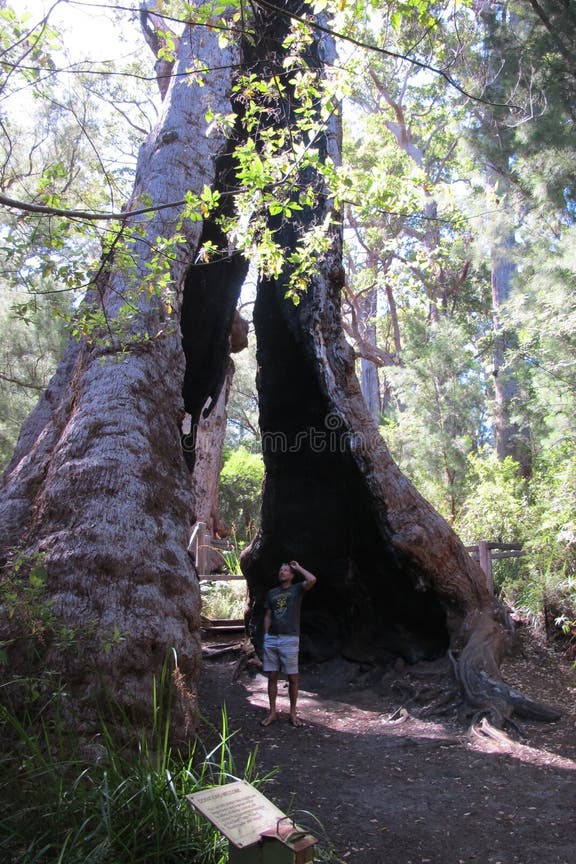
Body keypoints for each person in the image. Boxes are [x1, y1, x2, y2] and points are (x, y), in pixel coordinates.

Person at [260, 560, 317, 728]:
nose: (282, 572)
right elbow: (268, 615)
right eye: (281, 570)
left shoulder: (297, 589)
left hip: (290, 638)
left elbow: (312, 579)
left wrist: (298, 567)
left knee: (292, 677)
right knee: (272, 676)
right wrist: (265, 637)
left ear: (292, 575)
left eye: (286, 570)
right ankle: (272, 712)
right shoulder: (272, 593)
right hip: (272, 638)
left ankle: (293, 713)